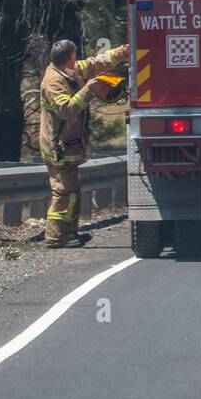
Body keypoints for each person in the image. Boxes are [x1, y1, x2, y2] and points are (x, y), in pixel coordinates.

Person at [39, 39, 129, 247]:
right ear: (70, 57)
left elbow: (96, 63)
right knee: (64, 193)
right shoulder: (53, 82)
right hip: (58, 148)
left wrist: (123, 52)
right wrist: (89, 89)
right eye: (75, 55)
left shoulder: (69, 70)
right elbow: (66, 110)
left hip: (68, 145)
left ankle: (69, 234)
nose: (77, 59)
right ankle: (56, 238)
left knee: (71, 192)